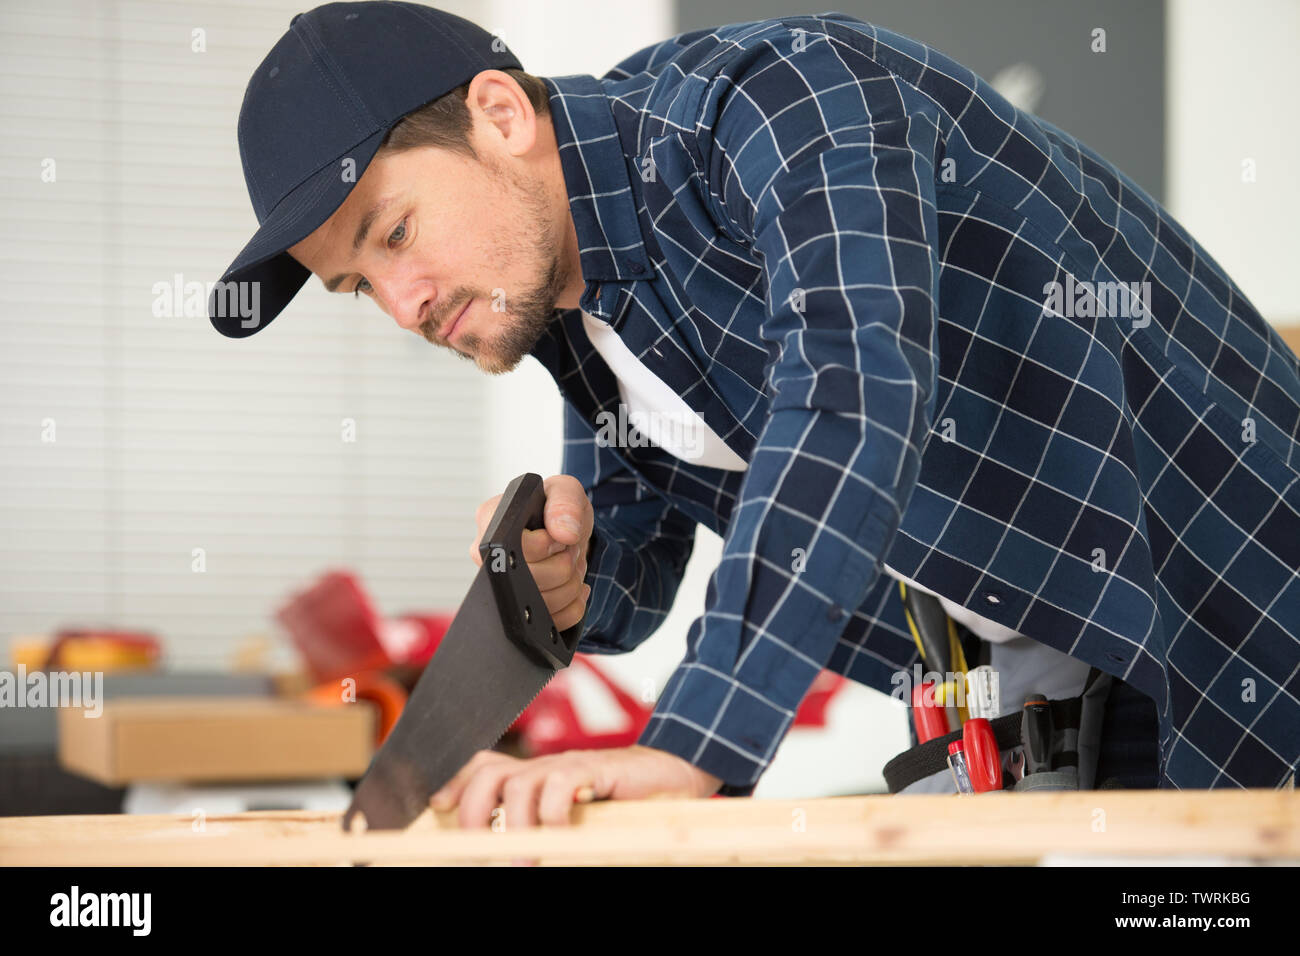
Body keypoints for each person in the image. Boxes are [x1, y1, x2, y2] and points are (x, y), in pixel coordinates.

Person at [209, 4, 1300, 826]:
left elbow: (849, 402)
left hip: (1239, 614)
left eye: (393, 233)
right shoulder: (572, 298)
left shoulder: (785, 104)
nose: (402, 306)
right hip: (1053, 684)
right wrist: (569, 578)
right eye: (359, 286)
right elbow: (639, 552)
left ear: (499, 115)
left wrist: (692, 744)